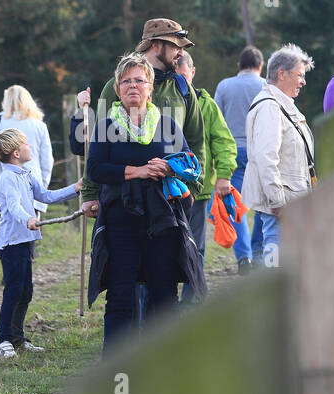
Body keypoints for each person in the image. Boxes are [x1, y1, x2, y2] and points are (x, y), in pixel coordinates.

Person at [81, 53, 202, 352]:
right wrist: (138, 171)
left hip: (162, 219)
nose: (133, 86)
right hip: (120, 220)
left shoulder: (168, 125)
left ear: (150, 87)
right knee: (121, 294)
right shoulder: (106, 126)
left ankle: (162, 361)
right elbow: (95, 169)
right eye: (126, 81)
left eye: (139, 80)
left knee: (163, 293)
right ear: (118, 89)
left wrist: (169, 167)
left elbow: (190, 162)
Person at [76, 18, 207, 249]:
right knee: (127, 273)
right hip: (122, 201)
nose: (180, 53)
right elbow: (98, 145)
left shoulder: (182, 88)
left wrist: (194, 188)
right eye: (176, 46)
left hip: (169, 199)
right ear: (156, 45)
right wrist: (89, 194)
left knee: (164, 271)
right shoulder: (115, 86)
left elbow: (196, 140)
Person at [0, 128, 81, 358]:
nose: (31, 147)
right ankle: (3, 342)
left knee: (26, 291)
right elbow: (13, 205)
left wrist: (75, 189)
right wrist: (28, 218)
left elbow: (46, 196)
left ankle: (18, 338)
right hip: (10, 243)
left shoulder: (26, 174)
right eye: (27, 144)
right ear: (16, 152)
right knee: (14, 291)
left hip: (25, 241)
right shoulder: (8, 178)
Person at [244, 44, 316, 267]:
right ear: (281, 74)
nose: (303, 82)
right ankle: (274, 300)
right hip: (282, 204)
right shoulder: (270, 108)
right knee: (275, 261)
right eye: (300, 75)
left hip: (291, 200)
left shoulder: (281, 105)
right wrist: (277, 201)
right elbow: (267, 157)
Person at [174, 51, 237, 301]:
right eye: (174, 78)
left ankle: (192, 302)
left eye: (183, 76)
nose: (179, 82)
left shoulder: (205, 104)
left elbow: (223, 141)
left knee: (194, 246)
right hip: (164, 189)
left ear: (193, 73)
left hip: (197, 191)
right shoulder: (158, 102)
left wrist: (224, 175)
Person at [214, 47, 266, 273]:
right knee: (263, 204)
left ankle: (243, 256)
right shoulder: (267, 86)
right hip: (260, 150)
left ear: (239, 64)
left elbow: (216, 118)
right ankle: (257, 252)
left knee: (236, 205)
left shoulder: (225, 86)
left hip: (232, 151)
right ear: (260, 66)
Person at [0, 86, 54, 209]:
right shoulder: (39, 125)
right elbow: (47, 161)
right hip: (31, 186)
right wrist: (42, 185)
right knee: (32, 225)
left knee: (4, 226)